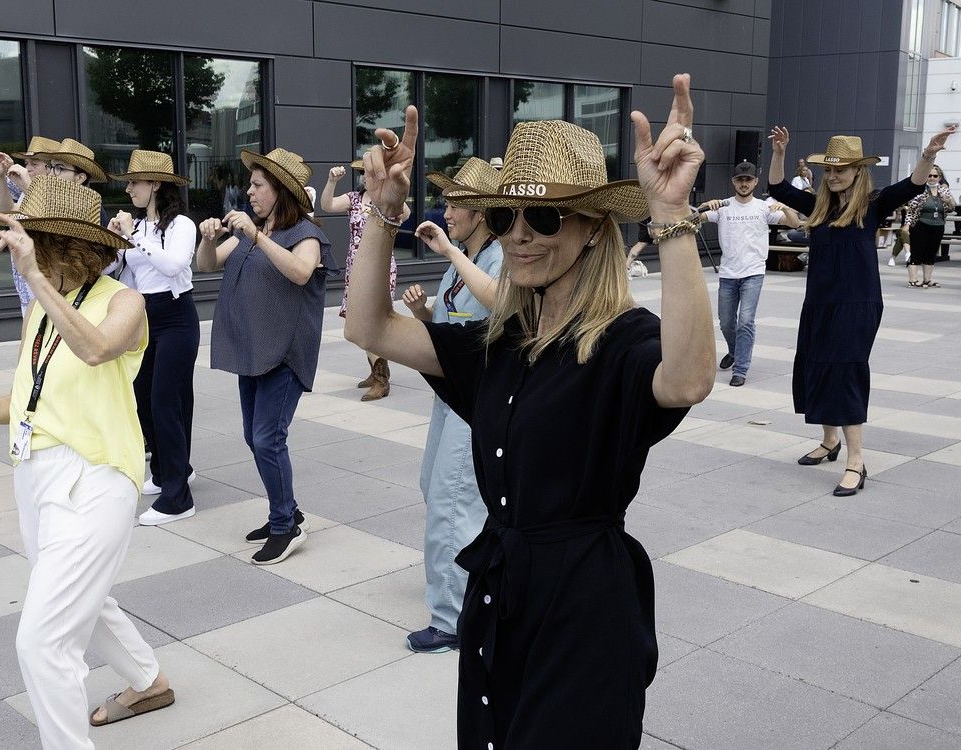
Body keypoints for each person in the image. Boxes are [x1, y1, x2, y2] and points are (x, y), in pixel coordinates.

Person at [345, 74, 715, 750]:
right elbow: (369, 328)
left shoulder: (620, 342)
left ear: (593, 232)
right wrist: (383, 214)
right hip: (500, 599)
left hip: (584, 612)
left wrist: (670, 217)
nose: (520, 236)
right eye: (508, 217)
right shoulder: (500, 345)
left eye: (544, 218)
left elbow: (690, 378)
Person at [0, 175, 174, 750]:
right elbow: (32, 402)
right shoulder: (40, 313)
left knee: (43, 640)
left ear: (62, 245)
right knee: (84, 595)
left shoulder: (124, 302)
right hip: (37, 475)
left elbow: (96, 348)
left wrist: (33, 278)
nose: (19, 244)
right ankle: (148, 680)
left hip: (99, 478)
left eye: (31, 236)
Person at [768, 126, 954, 496]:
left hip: (857, 304)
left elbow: (913, 185)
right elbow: (777, 189)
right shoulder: (820, 207)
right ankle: (829, 441)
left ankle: (856, 461)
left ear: (858, 171)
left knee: (846, 371)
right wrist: (779, 152)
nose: (833, 176)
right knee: (817, 365)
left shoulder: (873, 204)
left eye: (841, 170)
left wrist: (929, 153)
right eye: (829, 171)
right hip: (819, 302)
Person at [196, 148, 337, 565]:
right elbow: (206, 266)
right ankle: (287, 510)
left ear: (281, 191)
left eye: (258, 185)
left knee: (266, 438)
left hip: (285, 353)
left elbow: (300, 271)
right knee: (254, 437)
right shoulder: (250, 231)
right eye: (251, 185)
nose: (250, 192)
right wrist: (208, 240)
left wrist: (256, 236)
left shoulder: (307, 233)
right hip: (252, 349)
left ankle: (284, 526)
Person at [399, 157, 504, 654]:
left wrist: (447, 251)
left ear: (481, 212)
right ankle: (480, 586)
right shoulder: (463, 255)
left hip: (476, 398)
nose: (445, 212)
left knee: (454, 499)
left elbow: (500, 302)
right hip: (451, 393)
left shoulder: (499, 256)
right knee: (434, 486)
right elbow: (453, 314)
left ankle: (451, 620)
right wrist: (423, 312)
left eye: (454, 203)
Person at [107, 150, 199, 525]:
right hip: (144, 318)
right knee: (144, 400)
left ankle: (179, 498)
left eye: (135, 182)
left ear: (156, 184)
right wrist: (115, 244)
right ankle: (165, 472)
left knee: (165, 402)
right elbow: (121, 272)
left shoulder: (182, 226)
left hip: (177, 317)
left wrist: (132, 236)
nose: (128, 189)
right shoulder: (139, 227)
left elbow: (173, 265)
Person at [698, 161, 800, 386]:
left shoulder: (763, 207)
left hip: (753, 273)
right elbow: (695, 218)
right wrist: (706, 205)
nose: (744, 183)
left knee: (745, 321)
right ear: (733, 181)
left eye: (748, 180)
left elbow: (795, 224)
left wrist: (784, 207)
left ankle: (741, 369)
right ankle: (735, 351)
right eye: (739, 179)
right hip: (727, 274)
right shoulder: (723, 207)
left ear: (755, 182)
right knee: (726, 323)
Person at [320, 159, 408, 401]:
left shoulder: (386, 199)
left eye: (368, 173)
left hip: (381, 266)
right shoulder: (354, 198)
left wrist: (390, 200)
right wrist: (331, 181)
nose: (364, 177)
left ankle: (381, 379)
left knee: (371, 319)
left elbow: (405, 214)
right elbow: (327, 205)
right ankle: (375, 371)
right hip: (356, 267)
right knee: (359, 319)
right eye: (362, 173)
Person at [0, 121, 60, 314]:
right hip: (27, 287)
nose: (28, 168)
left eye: (34, 164)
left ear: (53, 169)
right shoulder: (26, 190)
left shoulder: (59, 194)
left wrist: (24, 182)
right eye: (27, 163)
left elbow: (49, 215)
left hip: (53, 286)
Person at [902, 165, 955, 288]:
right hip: (921, 224)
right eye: (929, 176)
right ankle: (913, 280)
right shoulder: (920, 190)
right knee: (917, 251)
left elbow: (951, 208)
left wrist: (948, 201)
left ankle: (927, 280)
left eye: (935, 176)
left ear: (939, 177)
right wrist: (907, 225)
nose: (932, 178)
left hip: (938, 225)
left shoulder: (944, 191)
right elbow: (911, 210)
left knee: (931, 253)